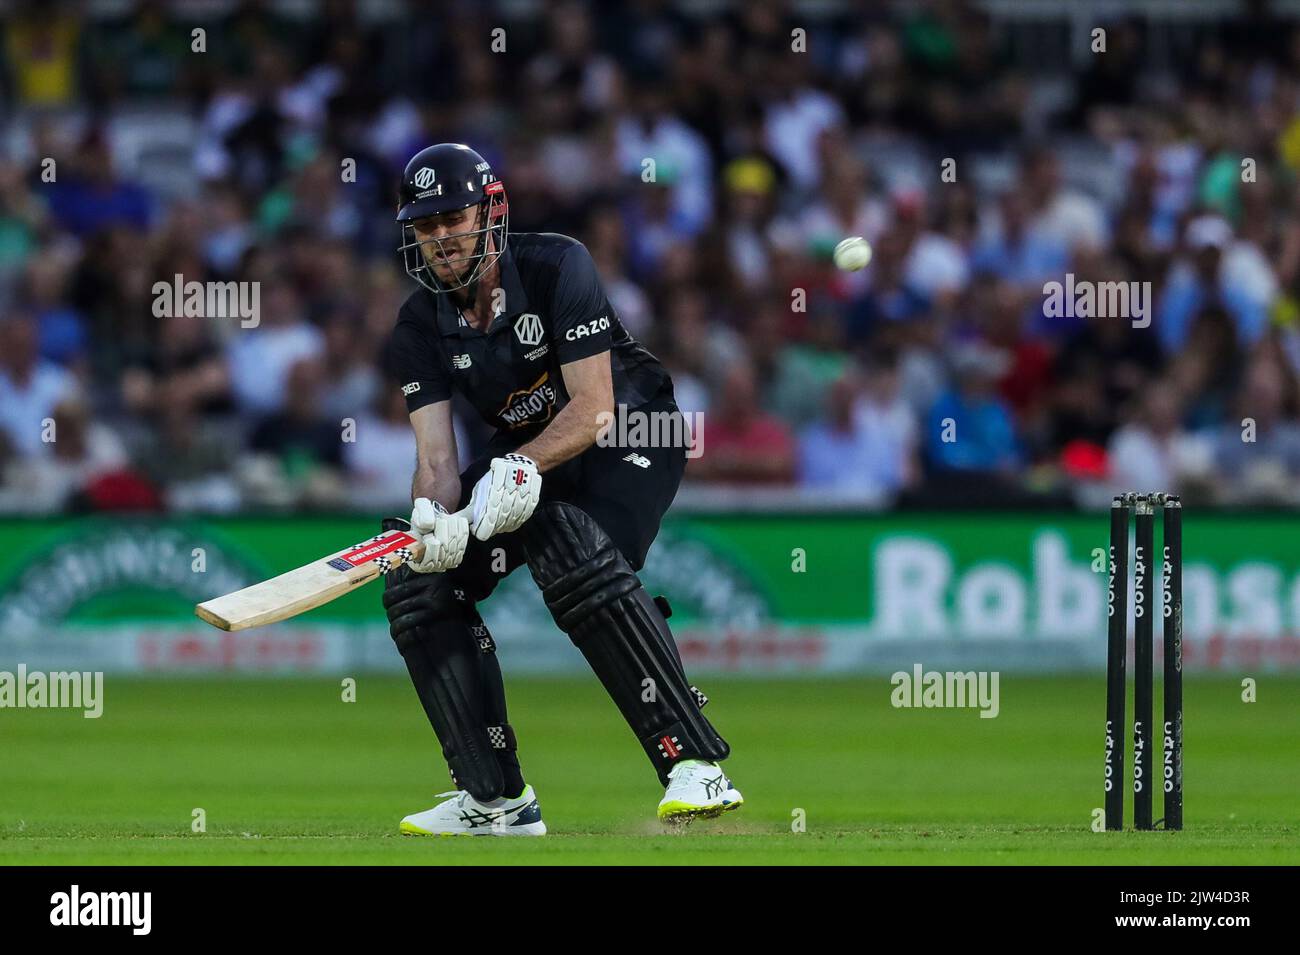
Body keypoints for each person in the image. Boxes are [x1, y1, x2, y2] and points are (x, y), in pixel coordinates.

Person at [381, 143, 740, 835]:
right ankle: (494, 800)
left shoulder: (556, 264)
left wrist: (521, 469)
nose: (440, 239)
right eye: (424, 227)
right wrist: (434, 521)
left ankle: (695, 763)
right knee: (417, 583)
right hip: (531, 451)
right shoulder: (417, 323)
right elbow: (435, 461)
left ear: (490, 212)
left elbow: (593, 407)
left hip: (630, 433)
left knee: (569, 542)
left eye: (452, 218)